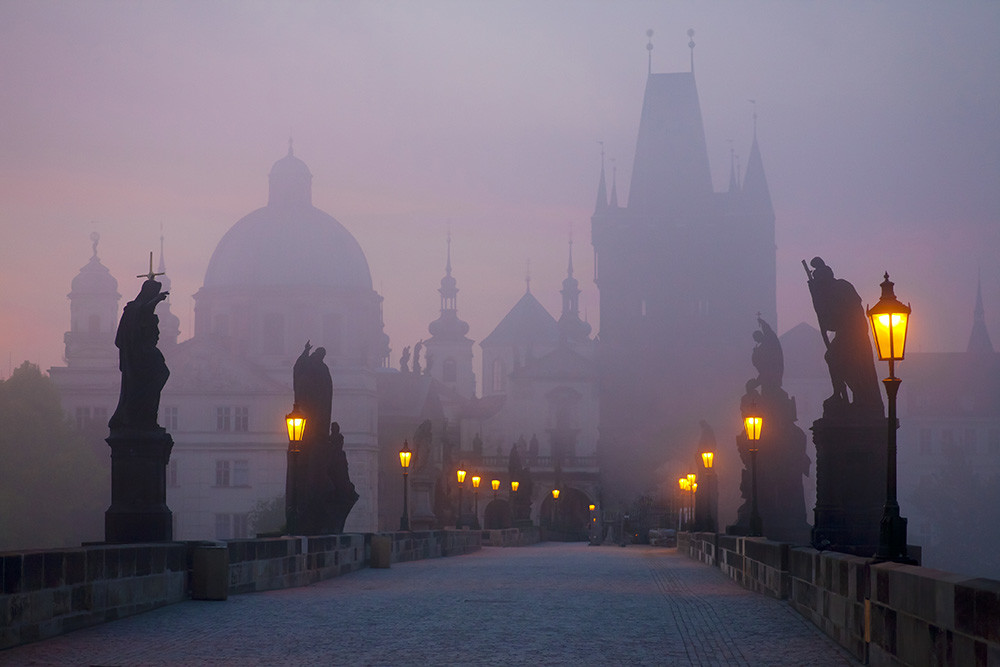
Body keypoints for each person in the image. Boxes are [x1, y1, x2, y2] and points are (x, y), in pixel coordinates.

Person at [807, 257, 883, 414]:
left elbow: (832, 321)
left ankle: (850, 395)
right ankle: (845, 395)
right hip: (849, 332)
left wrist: (819, 299)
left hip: (853, 333)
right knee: (835, 359)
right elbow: (831, 322)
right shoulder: (838, 288)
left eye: (820, 282)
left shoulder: (839, 289)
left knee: (836, 358)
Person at [109, 279, 169, 431]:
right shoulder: (133, 309)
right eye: (154, 293)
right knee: (158, 376)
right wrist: (157, 300)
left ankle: (147, 413)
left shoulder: (139, 310)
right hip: (139, 356)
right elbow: (143, 311)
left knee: (160, 376)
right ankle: (142, 410)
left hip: (144, 354)